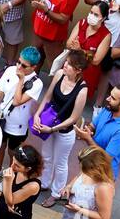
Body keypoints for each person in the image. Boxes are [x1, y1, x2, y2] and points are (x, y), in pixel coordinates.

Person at [34, 52, 89, 208]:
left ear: (78, 70)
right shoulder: (59, 74)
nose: (65, 65)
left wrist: (51, 129)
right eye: (66, 62)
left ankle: (56, 193)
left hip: (64, 131)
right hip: (49, 123)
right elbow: (47, 97)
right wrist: (38, 114)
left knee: (61, 162)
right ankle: (44, 182)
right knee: (46, 155)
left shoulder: (82, 90)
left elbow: (73, 118)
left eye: (70, 64)